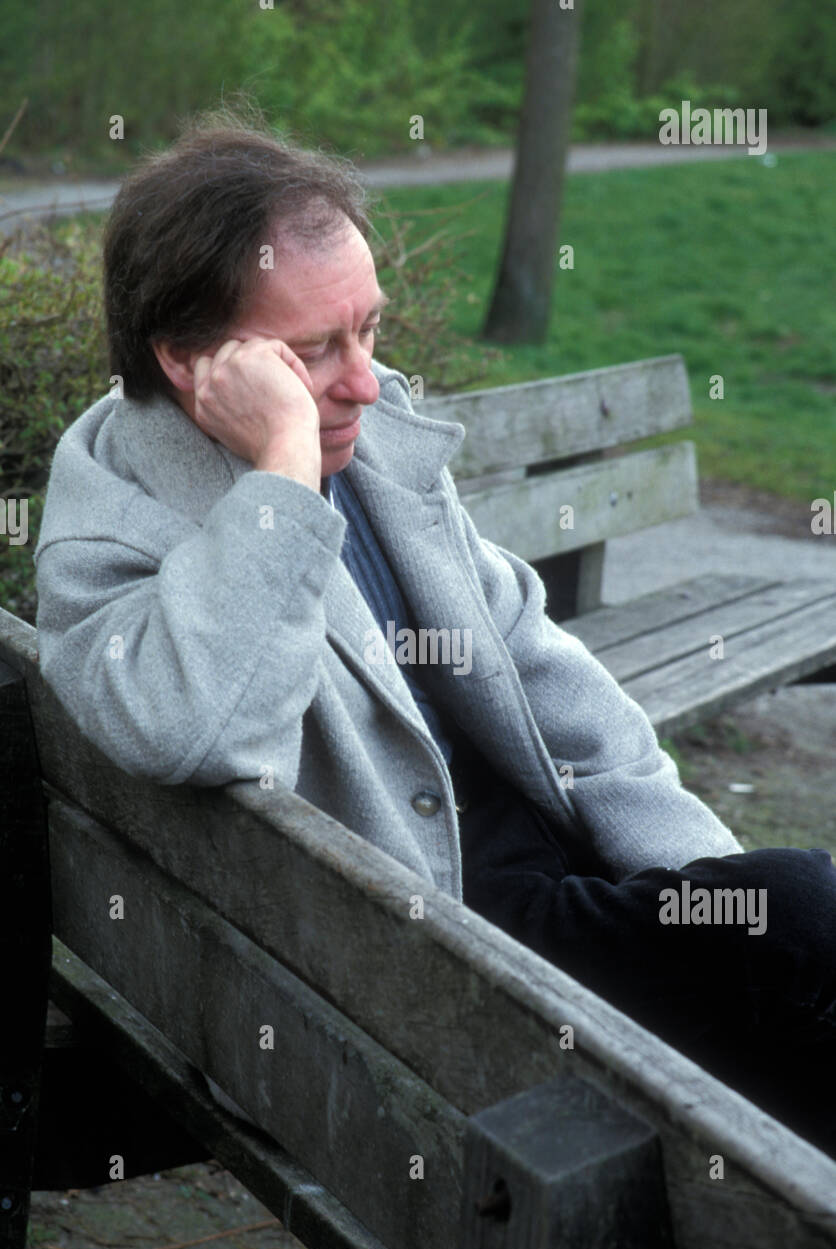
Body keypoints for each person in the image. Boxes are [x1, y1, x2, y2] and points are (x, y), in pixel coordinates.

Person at [33, 113, 836, 1155]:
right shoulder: (114, 516)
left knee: (785, 942)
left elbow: (541, 667)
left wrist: (691, 879)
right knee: (802, 923)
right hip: (426, 946)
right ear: (193, 361)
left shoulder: (369, 441)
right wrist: (280, 473)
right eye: (312, 350)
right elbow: (198, 725)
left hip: (545, 884)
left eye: (368, 328)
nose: (363, 379)